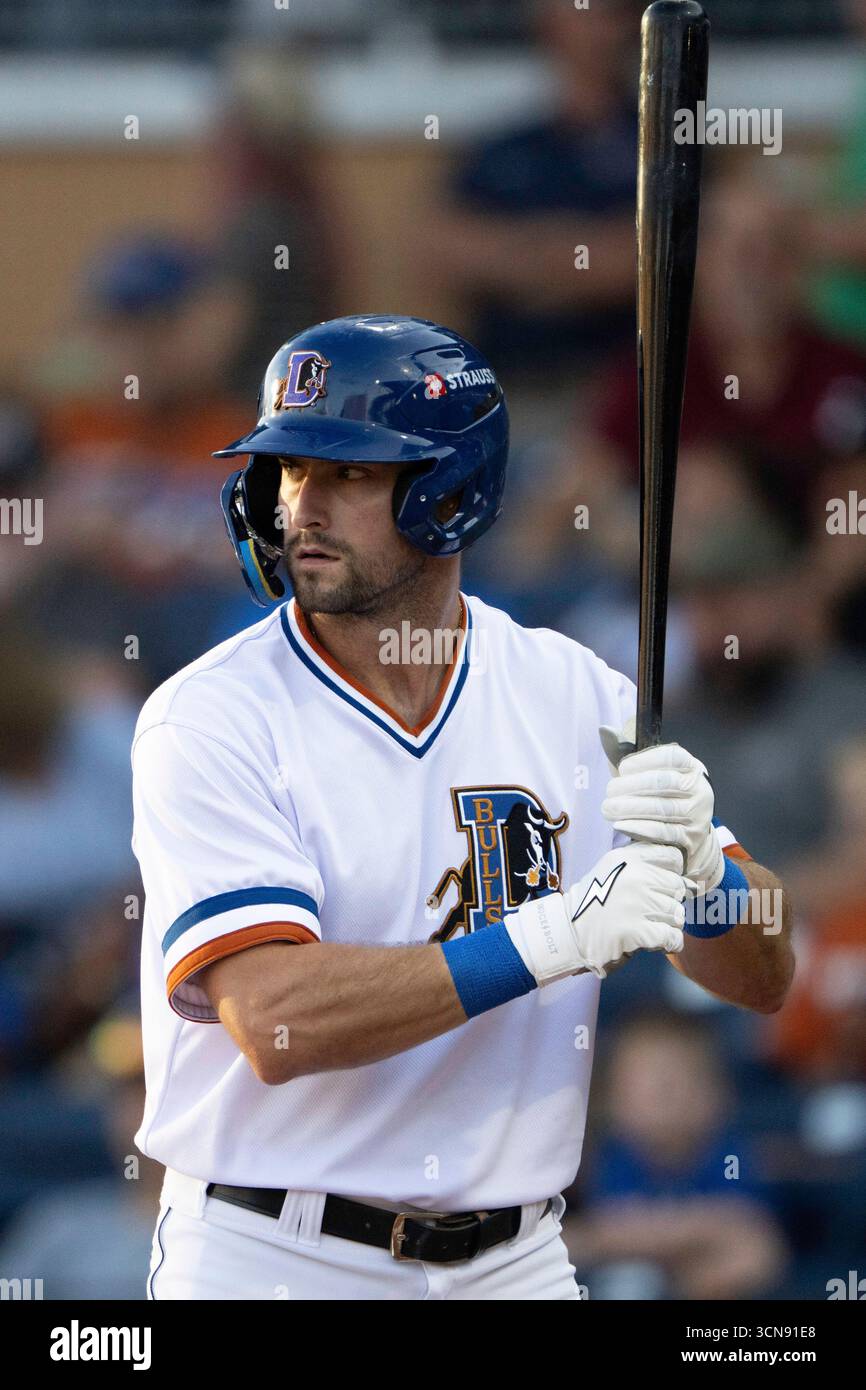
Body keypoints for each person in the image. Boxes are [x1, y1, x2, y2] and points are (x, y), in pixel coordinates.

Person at [131, 315, 793, 1301]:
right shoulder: (211, 715)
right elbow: (274, 1022)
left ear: (448, 489)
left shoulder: (576, 694)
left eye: (346, 472)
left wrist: (702, 870)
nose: (300, 506)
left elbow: (763, 975)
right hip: (273, 1250)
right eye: (289, 469)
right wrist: (551, 935)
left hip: (514, 1257)